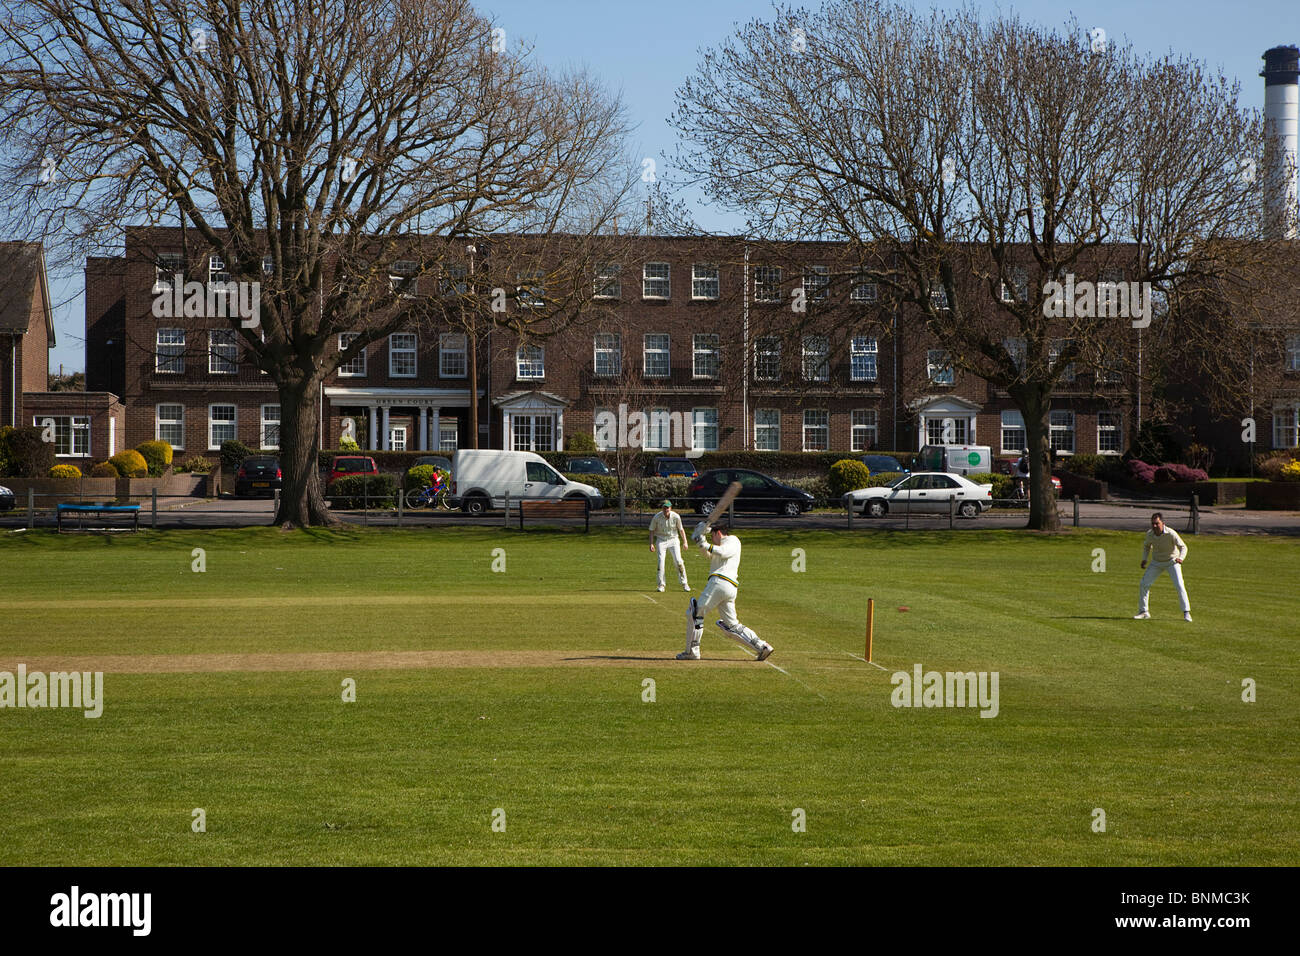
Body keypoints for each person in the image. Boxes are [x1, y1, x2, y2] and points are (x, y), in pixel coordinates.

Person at [678, 517, 774, 661]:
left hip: (719, 582)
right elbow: (708, 554)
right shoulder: (719, 547)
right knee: (732, 625)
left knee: (695, 614)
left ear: (718, 533)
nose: (712, 539)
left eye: (712, 536)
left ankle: (692, 651)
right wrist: (700, 541)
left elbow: (723, 552)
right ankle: (762, 647)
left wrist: (704, 542)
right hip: (727, 587)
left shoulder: (733, 541)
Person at [1135, 512, 1192, 622]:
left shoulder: (1171, 533)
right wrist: (1144, 559)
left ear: (1163, 523)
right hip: (1156, 562)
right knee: (1144, 584)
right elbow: (1147, 546)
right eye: (1153, 524)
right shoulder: (1150, 534)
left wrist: (1181, 558)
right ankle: (1144, 611)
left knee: (1179, 585)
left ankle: (1186, 612)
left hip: (1172, 561)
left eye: (1157, 523)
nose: (1154, 526)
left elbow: (1183, 547)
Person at [648, 500, 690, 593]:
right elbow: (651, 530)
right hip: (661, 540)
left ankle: (684, 583)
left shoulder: (676, 516)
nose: (666, 509)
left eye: (667, 507)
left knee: (678, 561)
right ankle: (661, 585)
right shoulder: (657, 517)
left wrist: (685, 542)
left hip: (673, 539)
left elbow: (681, 529)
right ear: (662, 508)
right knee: (661, 562)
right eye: (664, 507)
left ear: (670, 508)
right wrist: (651, 543)